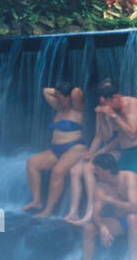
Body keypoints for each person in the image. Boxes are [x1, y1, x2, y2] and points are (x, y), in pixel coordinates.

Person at [64, 79, 137, 221]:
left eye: (106, 103)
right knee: (108, 177)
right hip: (127, 151)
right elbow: (105, 135)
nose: (104, 106)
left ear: (115, 98)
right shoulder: (109, 109)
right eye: (102, 103)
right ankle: (93, 214)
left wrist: (114, 116)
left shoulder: (133, 104)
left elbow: (132, 133)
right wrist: (102, 117)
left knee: (126, 180)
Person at [68, 154, 137, 260]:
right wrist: (102, 228)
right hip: (122, 221)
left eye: (97, 170)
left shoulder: (130, 178)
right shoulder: (101, 186)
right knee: (89, 228)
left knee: (132, 217)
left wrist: (109, 200)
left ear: (106, 171)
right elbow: (95, 215)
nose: (95, 173)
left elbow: (134, 207)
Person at [22, 82, 88, 216]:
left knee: (58, 171)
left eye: (61, 97)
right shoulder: (59, 108)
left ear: (69, 97)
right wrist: (59, 92)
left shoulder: (78, 109)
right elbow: (45, 91)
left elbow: (76, 91)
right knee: (32, 162)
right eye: (56, 96)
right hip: (55, 150)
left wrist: (68, 90)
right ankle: (37, 201)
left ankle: (48, 210)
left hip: (75, 148)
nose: (58, 99)